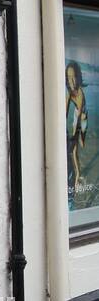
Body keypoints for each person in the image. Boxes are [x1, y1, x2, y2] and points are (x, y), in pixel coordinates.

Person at [66, 61, 88, 198]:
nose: (71, 80)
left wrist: (78, 137)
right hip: (73, 119)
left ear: (78, 76)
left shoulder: (80, 93)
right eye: (68, 77)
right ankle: (76, 179)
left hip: (80, 121)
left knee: (78, 148)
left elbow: (81, 118)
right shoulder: (67, 92)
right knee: (73, 154)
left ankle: (77, 181)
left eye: (73, 76)